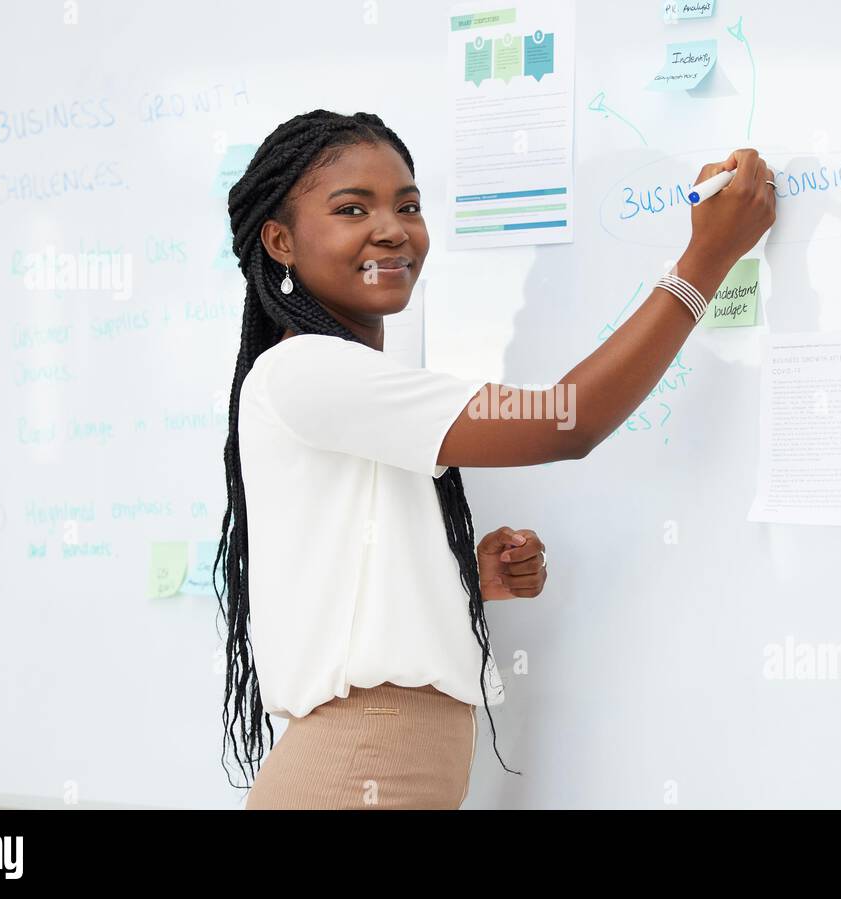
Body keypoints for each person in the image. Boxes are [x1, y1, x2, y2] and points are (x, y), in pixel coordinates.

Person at [215, 109, 775, 809]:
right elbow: (567, 420)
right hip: (354, 763)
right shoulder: (307, 370)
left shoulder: (343, 383)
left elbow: (340, 574)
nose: (392, 228)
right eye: (352, 208)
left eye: (408, 205)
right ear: (280, 240)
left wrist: (452, 579)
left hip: (370, 760)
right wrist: (706, 261)